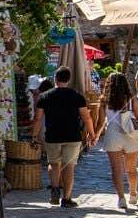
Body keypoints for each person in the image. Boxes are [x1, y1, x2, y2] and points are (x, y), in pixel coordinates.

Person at [34, 67, 95, 208]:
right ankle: (67, 198)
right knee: (69, 166)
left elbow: (38, 118)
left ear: (55, 78)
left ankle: (55, 188)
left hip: (52, 135)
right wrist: (91, 133)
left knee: (53, 163)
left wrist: (34, 135)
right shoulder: (77, 96)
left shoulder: (45, 96)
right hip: (72, 135)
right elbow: (86, 117)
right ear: (69, 79)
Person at [99, 71, 138, 210]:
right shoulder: (131, 98)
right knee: (132, 169)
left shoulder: (104, 99)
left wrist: (94, 135)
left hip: (112, 134)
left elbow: (100, 122)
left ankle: (121, 198)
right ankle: (133, 194)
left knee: (116, 169)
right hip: (130, 134)